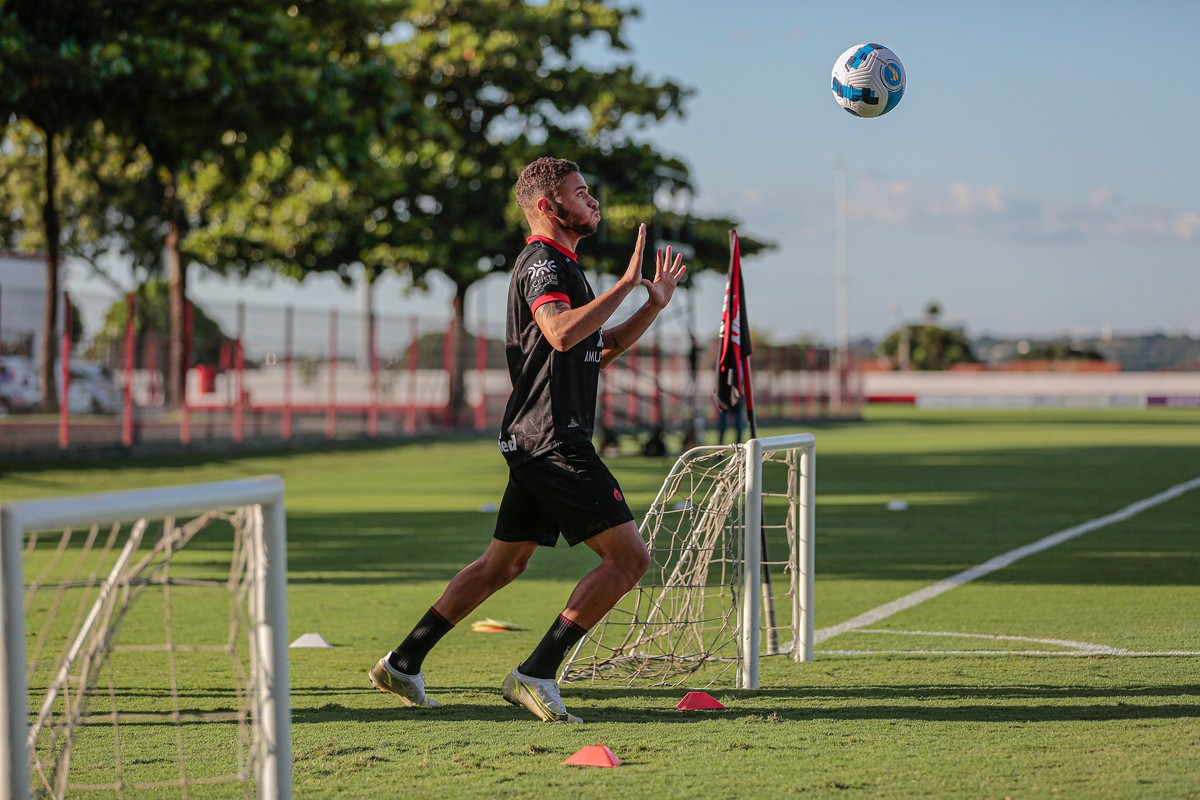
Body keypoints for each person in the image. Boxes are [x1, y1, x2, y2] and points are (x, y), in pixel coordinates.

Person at [369, 157, 687, 723]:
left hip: (535, 437)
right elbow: (562, 332)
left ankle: (403, 661)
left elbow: (598, 349)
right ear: (548, 206)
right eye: (580, 193)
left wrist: (650, 304)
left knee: (502, 565)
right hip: (552, 441)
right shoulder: (542, 261)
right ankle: (537, 673)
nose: (593, 202)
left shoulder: (568, 266)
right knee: (629, 560)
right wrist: (621, 285)